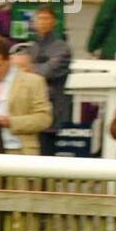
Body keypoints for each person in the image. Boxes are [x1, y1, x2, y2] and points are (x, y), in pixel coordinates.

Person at [0, 37, 53, 155]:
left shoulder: (33, 82)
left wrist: (10, 122)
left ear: (9, 60)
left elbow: (44, 119)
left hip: (18, 149)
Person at [26, 8, 73, 149]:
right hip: (31, 110)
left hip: (52, 110)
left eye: (46, 18)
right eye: (40, 18)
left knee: (47, 152)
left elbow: (50, 69)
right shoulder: (31, 47)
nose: (43, 22)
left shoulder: (62, 48)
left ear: (53, 22)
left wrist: (30, 69)